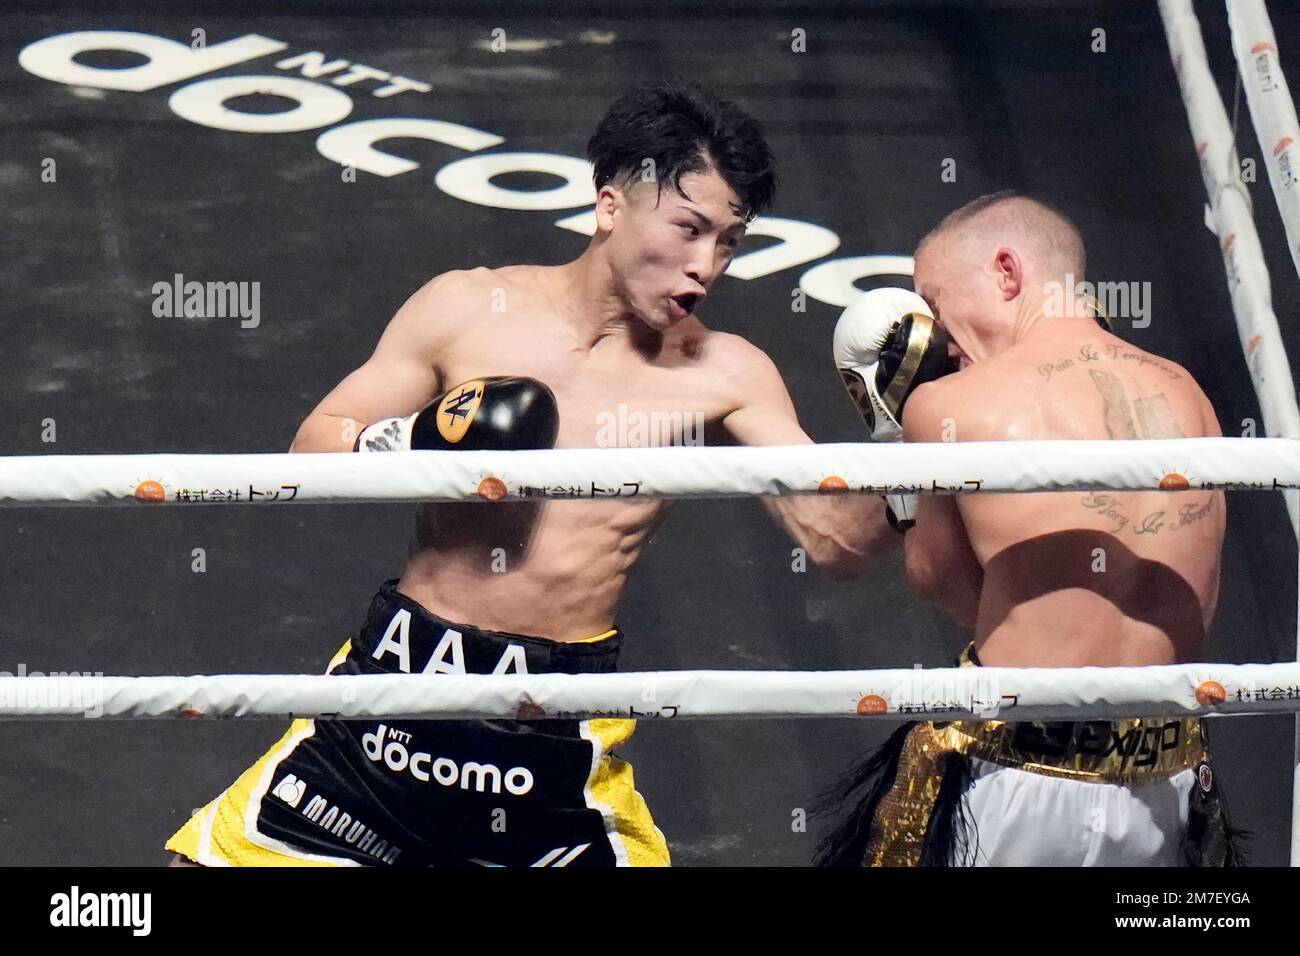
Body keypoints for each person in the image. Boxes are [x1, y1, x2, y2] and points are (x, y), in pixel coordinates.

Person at [166, 80, 894, 868]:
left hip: (546, 736)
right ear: (612, 205)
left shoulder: (723, 373)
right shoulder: (468, 308)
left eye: (728, 243)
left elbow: (835, 546)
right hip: (392, 700)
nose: (705, 266)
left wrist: (903, 439)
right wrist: (421, 440)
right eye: (689, 229)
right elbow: (313, 453)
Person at [819, 191, 1238, 866]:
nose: (937, 335)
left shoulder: (950, 405)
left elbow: (945, 585)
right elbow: (1199, 593)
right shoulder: (1189, 392)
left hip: (1015, 775)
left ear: (1007, 273)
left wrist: (904, 441)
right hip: (1165, 776)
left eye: (936, 299)